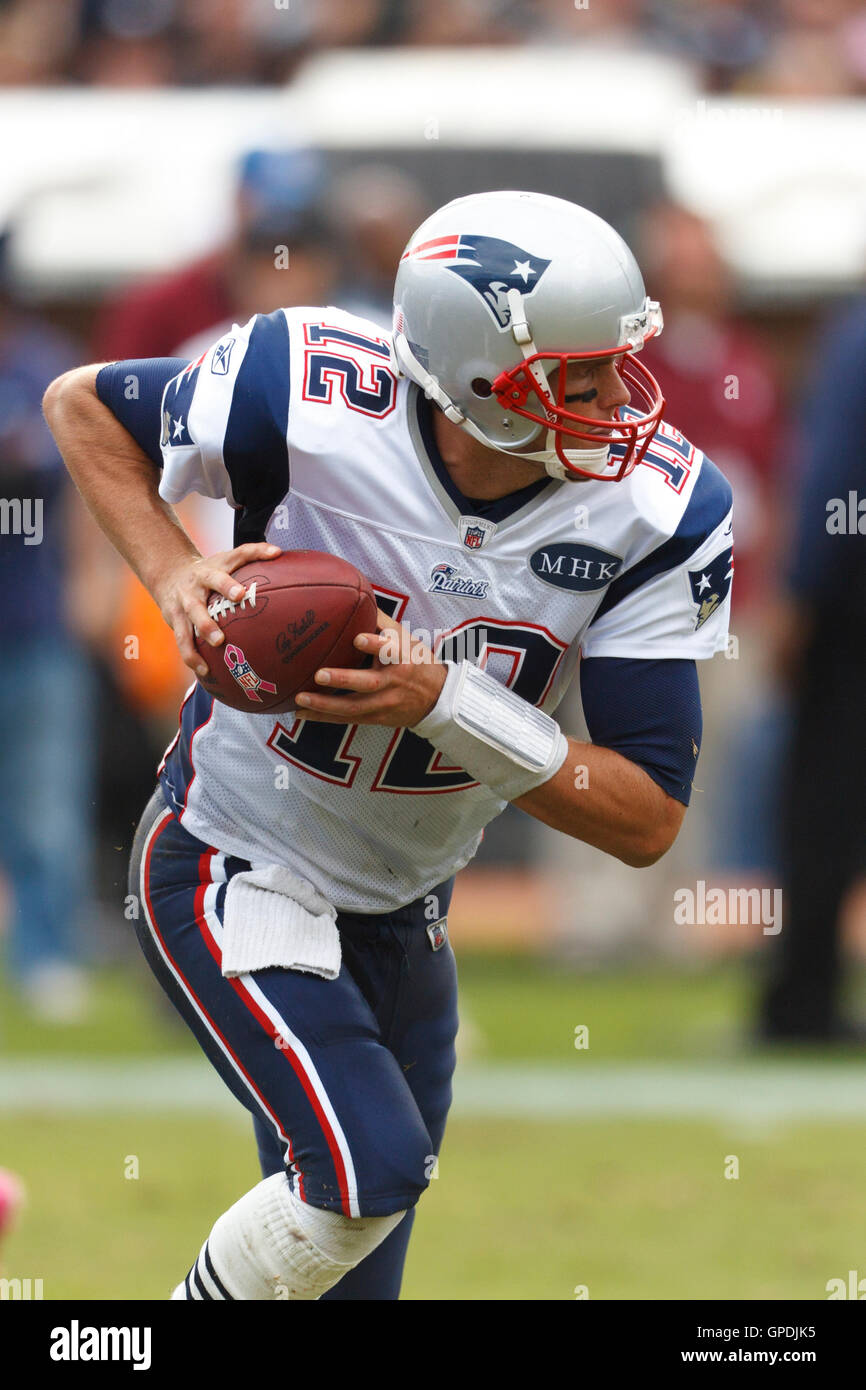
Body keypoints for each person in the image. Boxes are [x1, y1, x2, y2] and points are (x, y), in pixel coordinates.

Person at [43, 190, 733, 1300]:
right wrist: (176, 573)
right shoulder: (297, 388)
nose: (621, 401)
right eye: (580, 376)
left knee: (352, 1271)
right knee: (366, 1169)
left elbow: (647, 815)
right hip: (234, 855)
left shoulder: (659, 513)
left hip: (406, 915)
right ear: (475, 376)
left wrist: (442, 701)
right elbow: (83, 408)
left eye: (615, 363)